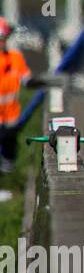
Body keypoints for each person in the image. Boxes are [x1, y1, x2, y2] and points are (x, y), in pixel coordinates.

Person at [0, 19, 30, 174]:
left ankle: (7, 181)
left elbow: (27, 79)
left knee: (9, 152)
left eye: (3, 40)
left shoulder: (15, 58)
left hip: (11, 115)